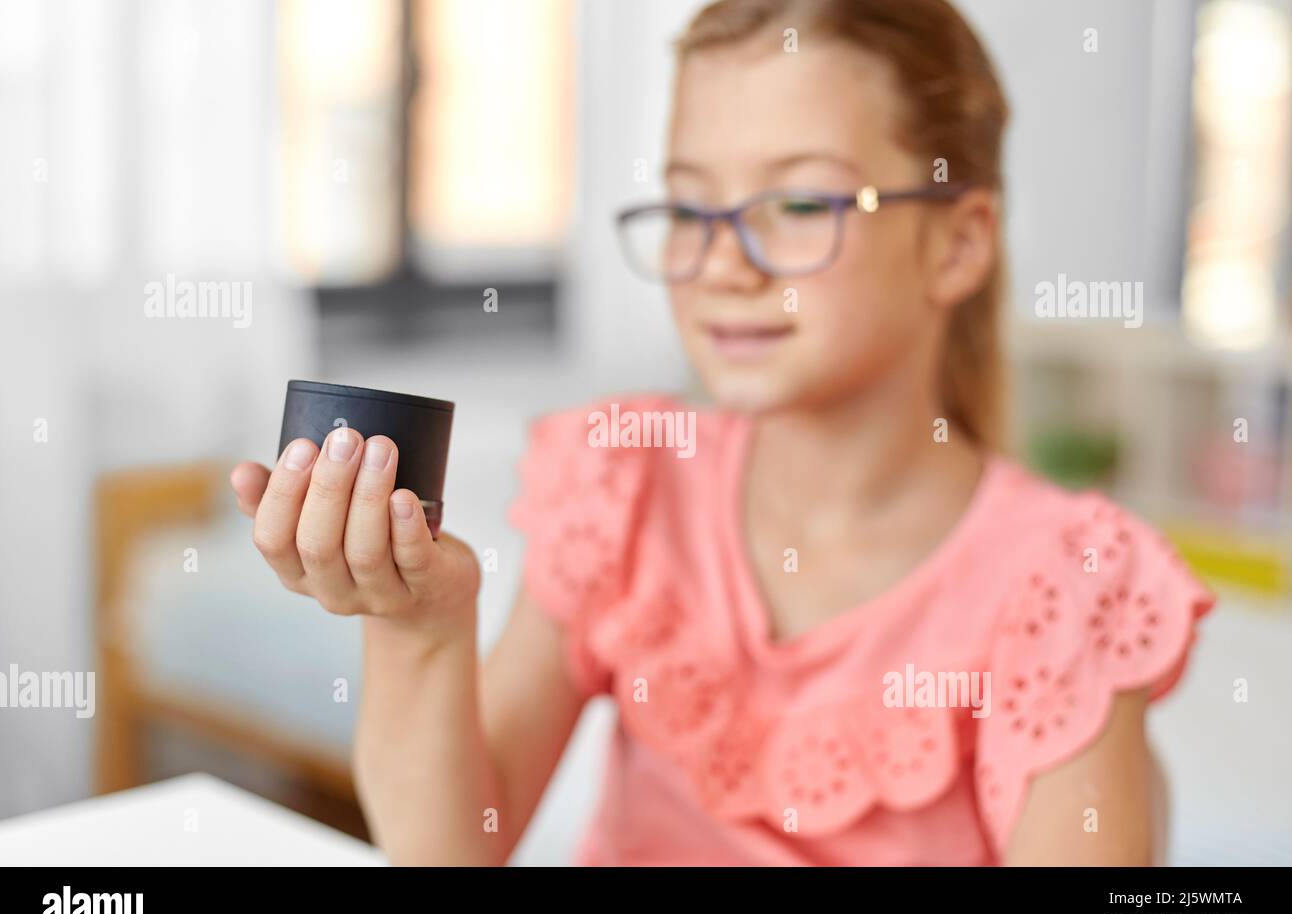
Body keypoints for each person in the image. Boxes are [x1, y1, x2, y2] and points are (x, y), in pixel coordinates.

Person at [230, 0, 1215, 865]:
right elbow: (451, 847)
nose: (721, 262)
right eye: (690, 205)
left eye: (795, 202)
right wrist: (419, 624)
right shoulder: (629, 478)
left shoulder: (1066, 584)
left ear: (956, 242)